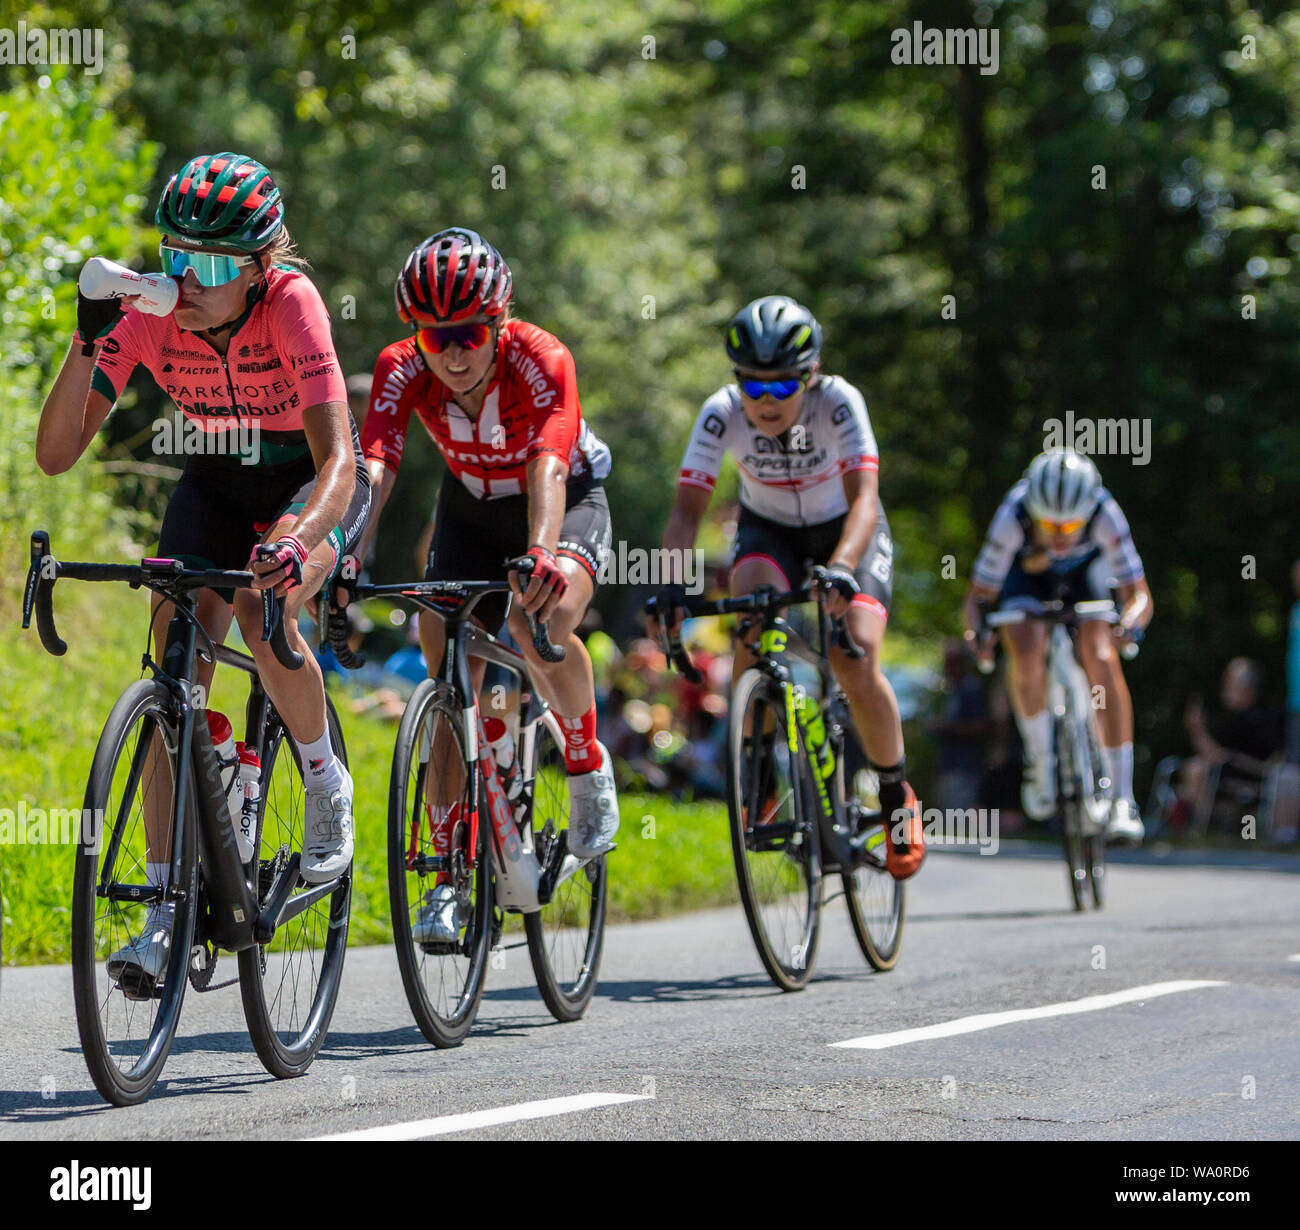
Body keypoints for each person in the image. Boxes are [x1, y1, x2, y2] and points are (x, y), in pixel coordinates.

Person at [37, 152, 370, 986]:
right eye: (175, 256)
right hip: (217, 478)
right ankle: (162, 909)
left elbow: (341, 463)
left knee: (264, 614)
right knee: (170, 677)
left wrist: (297, 543)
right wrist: (87, 336)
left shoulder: (293, 304)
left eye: (214, 265)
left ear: (261, 265)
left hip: (306, 479)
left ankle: (326, 781)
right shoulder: (148, 313)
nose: (188, 279)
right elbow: (56, 454)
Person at [354, 227, 616, 942]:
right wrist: (349, 555)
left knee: (542, 622)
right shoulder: (399, 367)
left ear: (499, 322)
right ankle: (446, 876)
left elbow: (550, 466)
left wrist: (538, 553)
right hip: (469, 507)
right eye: (437, 339)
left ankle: (588, 766)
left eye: (470, 332)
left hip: (560, 496)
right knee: (445, 678)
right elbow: (376, 465)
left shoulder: (541, 357)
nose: (456, 351)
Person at [649, 295, 925, 880]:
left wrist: (845, 569)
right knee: (750, 614)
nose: (765, 401)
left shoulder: (839, 403)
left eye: (781, 387)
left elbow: (865, 500)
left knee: (856, 652)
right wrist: (671, 588)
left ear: (811, 375)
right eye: (752, 385)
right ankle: (761, 770)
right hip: (768, 529)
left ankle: (898, 799)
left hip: (844, 530)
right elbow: (684, 515)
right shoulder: (720, 413)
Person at [962, 449, 1152, 844]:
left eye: (1071, 525)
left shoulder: (1104, 512)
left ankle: (1121, 798)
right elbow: (978, 596)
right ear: (1034, 513)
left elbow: (1139, 594)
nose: (1062, 535)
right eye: (1050, 524)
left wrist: (1130, 622)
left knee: (1100, 654)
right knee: (1025, 646)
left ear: (1088, 514)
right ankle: (1040, 757)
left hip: (1090, 575)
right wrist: (978, 633)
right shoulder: (1013, 515)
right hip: (1028, 577)